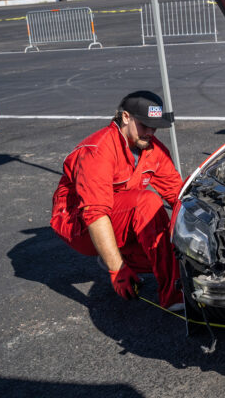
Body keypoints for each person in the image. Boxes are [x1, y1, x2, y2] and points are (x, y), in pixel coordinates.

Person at [51, 90, 183, 310]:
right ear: (126, 117)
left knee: (178, 247)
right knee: (147, 203)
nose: (150, 132)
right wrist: (116, 269)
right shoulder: (97, 151)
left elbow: (178, 195)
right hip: (78, 224)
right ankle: (174, 296)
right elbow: (95, 213)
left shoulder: (153, 148)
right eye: (144, 125)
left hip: (116, 216)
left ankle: (121, 254)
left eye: (155, 126)